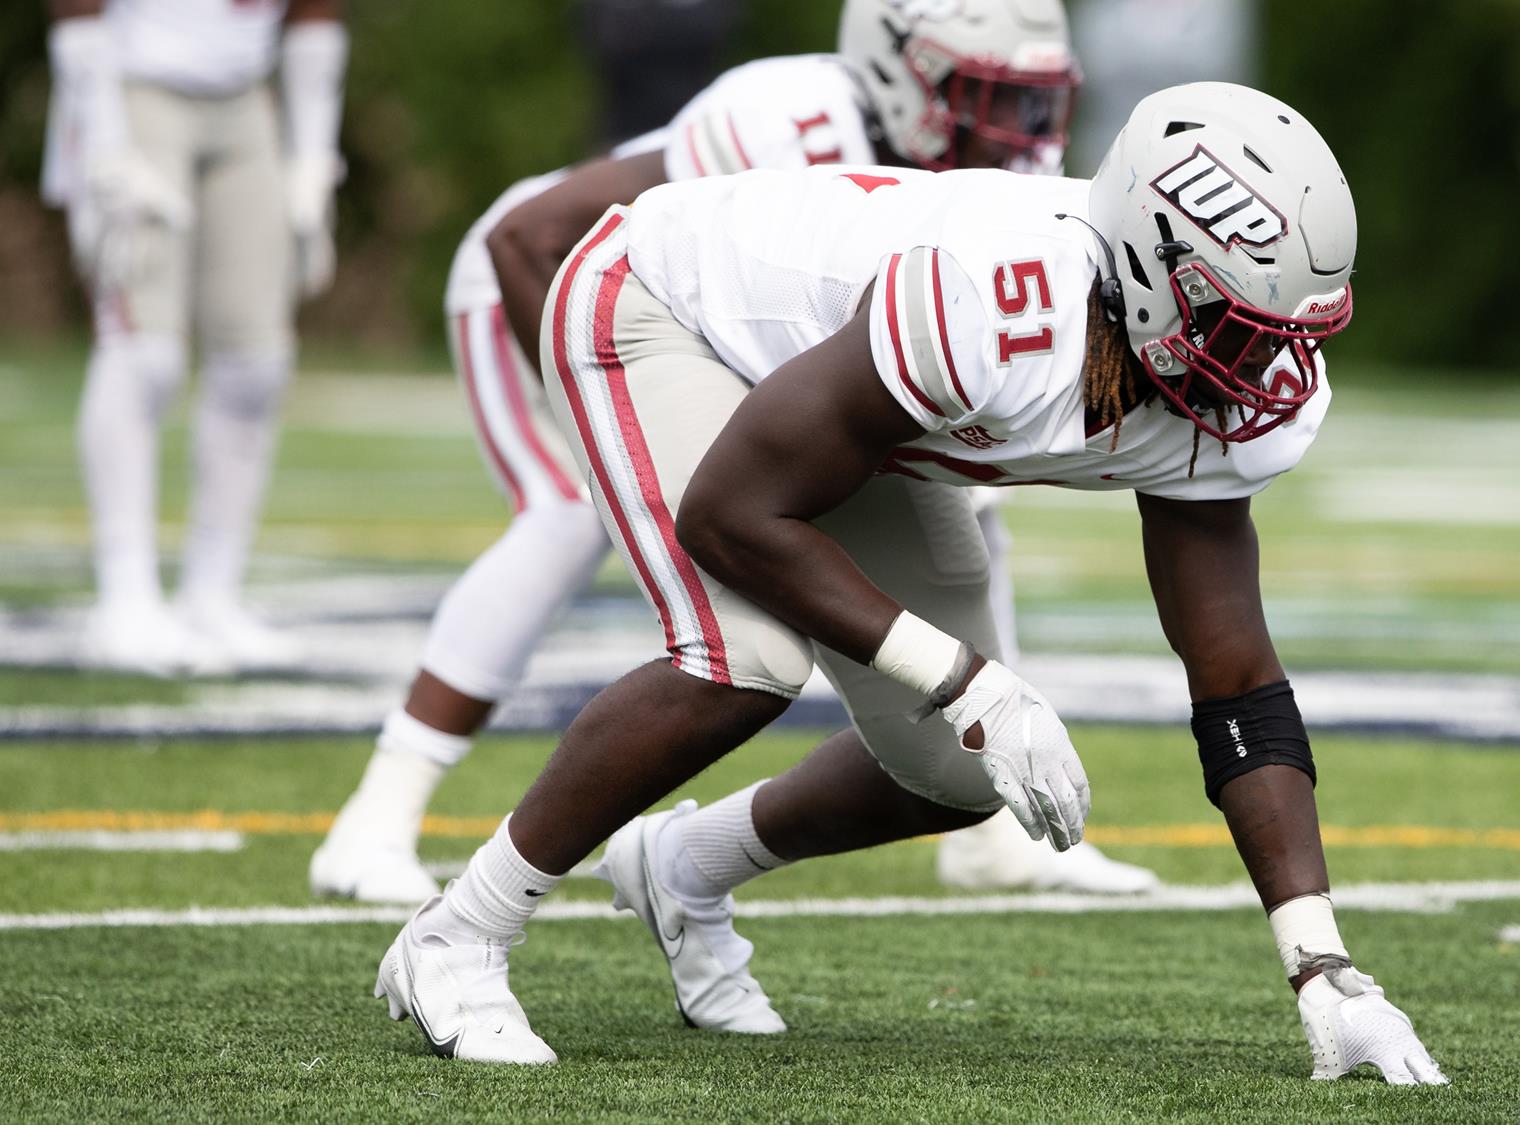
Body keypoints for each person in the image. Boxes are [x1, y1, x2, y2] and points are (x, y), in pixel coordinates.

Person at [371, 82, 1447, 1085]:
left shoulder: (1226, 392)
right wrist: (965, 675)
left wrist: (1321, 965)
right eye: (1234, 330)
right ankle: (458, 936)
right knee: (743, 659)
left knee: (957, 773)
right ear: (1151, 275)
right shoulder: (995, 305)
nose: (1262, 374)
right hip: (666, 308)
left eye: (1282, 338)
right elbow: (733, 518)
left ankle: (682, 867)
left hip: (864, 403)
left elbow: (1234, 678)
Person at [308, 0, 1157, 904]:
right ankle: (379, 813)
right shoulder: (786, 116)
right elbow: (534, 235)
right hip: (561, 277)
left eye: (1034, 105)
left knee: (966, 516)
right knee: (567, 519)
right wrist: (611, 456)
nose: (1017, 135)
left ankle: (989, 824)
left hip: (755, 340)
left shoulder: (1005, 187)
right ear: (899, 72)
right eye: (988, 98)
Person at [42, 0, 346, 676]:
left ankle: (214, 592)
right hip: (132, 86)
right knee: (143, 351)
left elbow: (315, 15)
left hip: (245, 100)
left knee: (257, 361)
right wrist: (103, 139)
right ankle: (125, 594)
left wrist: (314, 155)